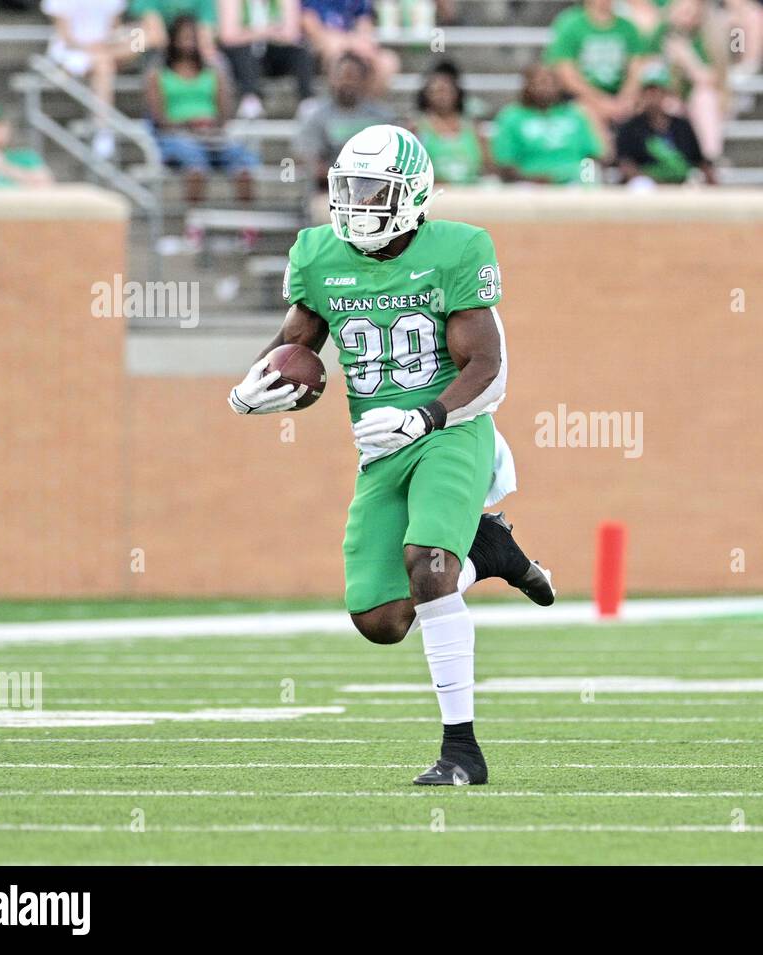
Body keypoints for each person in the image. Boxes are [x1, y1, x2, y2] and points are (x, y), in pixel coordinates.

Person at [225, 125, 556, 785]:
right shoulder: (320, 254)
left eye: (375, 191)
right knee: (380, 619)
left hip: (451, 428)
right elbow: (296, 343)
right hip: (380, 447)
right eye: (349, 190)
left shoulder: (457, 249)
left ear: (411, 193)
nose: (359, 205)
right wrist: (249, 389)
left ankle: (461, 753)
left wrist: (425, 414)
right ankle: (487, 552)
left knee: (427, 566)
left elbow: (486, 367)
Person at [146, 14, 259, 202]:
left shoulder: (215, 72)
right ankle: (194, 224)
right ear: (173, 39)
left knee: (244, 165)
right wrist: (188, 124)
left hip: (212, 135)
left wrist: (208, 124)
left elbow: (225, 114)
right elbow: (158, 118)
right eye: (183, 37)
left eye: (192, 37)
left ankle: (247, 224)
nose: (188, 42)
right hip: (176, 137)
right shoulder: (157, 75)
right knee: (195, 165)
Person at [293, 51, 394, 219]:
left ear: (364, 80)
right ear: (331, 79)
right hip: (332, 192)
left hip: (378, 193)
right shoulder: (316, 116)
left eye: (353, 77)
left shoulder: (382, 116)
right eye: (342, 76)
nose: (347, 82)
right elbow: (310, 161)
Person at [42, 0, 138, 159]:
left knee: (142, 37)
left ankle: (69, 72)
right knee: (104, 66)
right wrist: (91, 47)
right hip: (72, 51)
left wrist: (114, 41)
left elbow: (114, 28)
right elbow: (65, 35)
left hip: (103, 51)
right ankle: (103, 129)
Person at [641, 0, 727, 162]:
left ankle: (710, 160)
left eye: (693, 13)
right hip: (669, 98)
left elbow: (714, 79)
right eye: (684, 11)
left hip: (700, 100)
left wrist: (688, 60)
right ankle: (677, 163)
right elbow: (648, 72)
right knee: (668, 105)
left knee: (704, 98)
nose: (688, 18)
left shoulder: (706, 36)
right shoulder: (661, 33)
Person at [491, 63, 605, 184]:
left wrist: (585, 180)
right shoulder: (512, 117)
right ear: (527, 85)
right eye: (538, 83)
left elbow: (592, 155)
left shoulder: (575, 114)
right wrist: (534, 179)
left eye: (550, 83)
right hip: (529, 183)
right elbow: (504, 163)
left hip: (574, 181)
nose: (544, 88)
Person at [544, 0, 645, 131]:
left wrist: (625, 100)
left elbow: (636, 71)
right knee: (587, 114)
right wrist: (601, 102)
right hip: (581, 98)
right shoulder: (570, 25)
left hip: (619, 96)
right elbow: (566, 75)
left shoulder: (628, 28)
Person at [217, 0, 314, 118]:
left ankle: (307, 101)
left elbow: (292, 35)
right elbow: (228, 37)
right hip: (243, 58)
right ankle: (250, 99)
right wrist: (267, 32)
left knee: (300, 51)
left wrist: (252, 33)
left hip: (273, 55)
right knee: (245, 50)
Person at [615, 76, 714, 185]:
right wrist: (657, 182)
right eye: (648, 93)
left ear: (665, 94)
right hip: (649, 183)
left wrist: (713, 182)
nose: (652, 97)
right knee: (640, 185)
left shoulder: (682, 125)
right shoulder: (630, 128)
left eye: (656, 92)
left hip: (682, 182)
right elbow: (626, 164)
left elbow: (699, 160)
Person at [300, 0, 399, 97]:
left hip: (353, 43)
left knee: (388, 61)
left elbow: (364, 21)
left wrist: (362, 42)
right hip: (319, 47)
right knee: (335, 49)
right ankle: (339, 108)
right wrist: (349, 42)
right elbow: (309, 23)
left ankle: (367, 107)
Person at [413, 61, 487, 185]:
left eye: (446, 91)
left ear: (457, 93)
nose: (442, 96)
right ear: (426, 95)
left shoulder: (474, 128)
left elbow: (487, 167)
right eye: (436, 91)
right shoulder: (416, 128)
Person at [129, 0, 219, 59]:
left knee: (215, 58)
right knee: (141, 38)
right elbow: (156, 33)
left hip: (195, 45)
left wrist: (204, 46)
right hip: (156, 45)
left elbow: (206, 29)